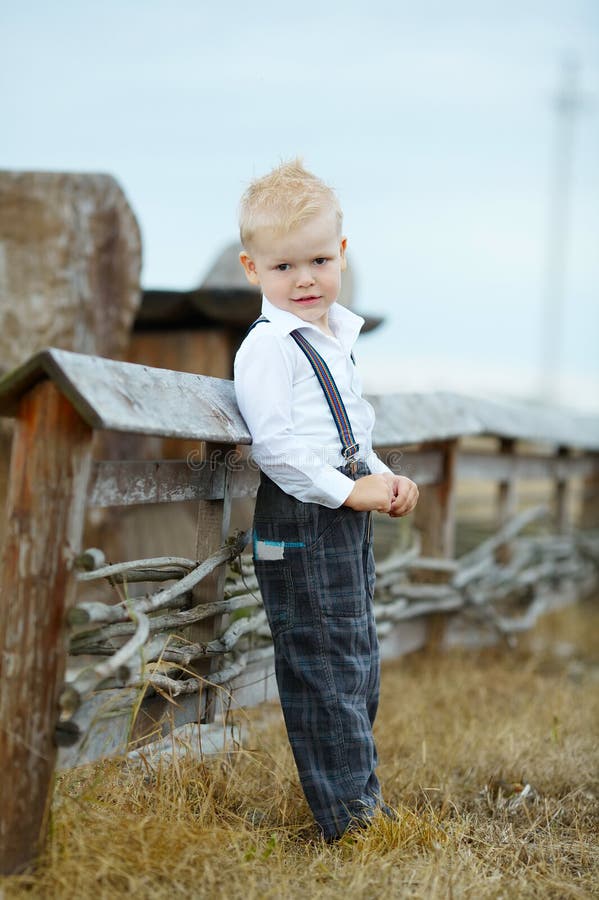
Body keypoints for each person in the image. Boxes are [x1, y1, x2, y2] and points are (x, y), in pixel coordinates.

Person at [234, 159, 418, 841]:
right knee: (322, 666)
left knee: (355, 660)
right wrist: (349, 490)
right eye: (283, 267)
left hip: (338, 519)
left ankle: (360, 804)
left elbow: (349, 436)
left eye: (316, 259)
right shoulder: (270, 348)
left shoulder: (333, 340)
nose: (304, 279)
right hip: (302, 521)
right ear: (253, 270)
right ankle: (349, 823)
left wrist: (383, 479)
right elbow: (278, 450)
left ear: (340, 253)